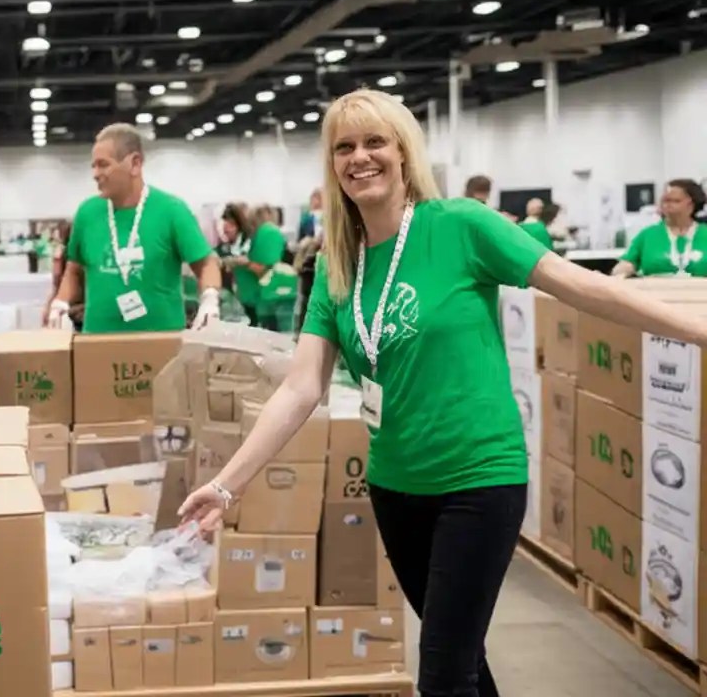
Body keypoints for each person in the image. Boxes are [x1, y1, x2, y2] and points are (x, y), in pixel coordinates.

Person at [176, 88, 707, 697]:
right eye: (344, 147)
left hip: (478, 479)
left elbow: (583, 287)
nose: (360, 157)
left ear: (403, 152)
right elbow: (301, 387)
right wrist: (225, 486)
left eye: (375, 141)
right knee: (462, 659)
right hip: (396, 487)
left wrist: (698, 329)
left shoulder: (461, 226)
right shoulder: (336, 264)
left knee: (442, 670)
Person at [45, 123, 221, 332]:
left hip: (161, 341)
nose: (95, 173)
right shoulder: (87, 213)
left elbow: (206, 263)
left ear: (135, 164)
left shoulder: (172, 210)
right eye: (93, 166)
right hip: (98, 342)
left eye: (103, 165)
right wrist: (60, 303)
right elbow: (74, 271)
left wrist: (210, 299)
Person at [612, 179, 707, 278]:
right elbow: (628, 263)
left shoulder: (704, 233)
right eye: (665, 200)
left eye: (675, 201)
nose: (667, 205)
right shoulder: (648, 235)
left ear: (691, 204)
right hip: (654, 291)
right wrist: (619, 274)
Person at [223, 204, 287, 328]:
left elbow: (264, 270)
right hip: (257, 300)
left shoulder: (268, 234)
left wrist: (244, 263)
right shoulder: (260, 236)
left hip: (263, 300)